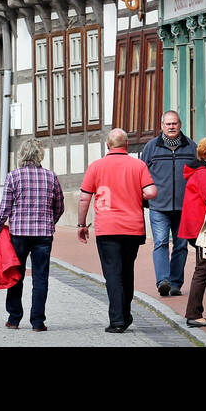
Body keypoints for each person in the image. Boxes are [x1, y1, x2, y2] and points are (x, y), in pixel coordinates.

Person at [77, 129, 156, 333]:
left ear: (107, 145)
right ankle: (126, 313)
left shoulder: (96, 166)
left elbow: (85, 197)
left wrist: (81, 224)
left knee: (112, 273)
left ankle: (117, 320)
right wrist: (136, 193)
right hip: (132, 227)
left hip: (107, 227)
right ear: (127, 145)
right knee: (126, 271)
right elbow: (151, 192)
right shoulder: (138, 165)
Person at [0, 136, 65, 332]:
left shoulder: (13, 177)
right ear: (40, 155)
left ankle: (14, 318)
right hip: (43, 234)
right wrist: (50, 221)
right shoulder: (51, 177)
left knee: (16, 274)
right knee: (41, 277)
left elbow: (4, 207)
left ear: (22, 155)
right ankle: (38, 322)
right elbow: (59, 206)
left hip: (19, 234)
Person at [141, 111, 196, 297]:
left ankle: (175, 283)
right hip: (159, 206)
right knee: (161, 243)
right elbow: (142, 174)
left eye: (174, 123)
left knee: (181, 246)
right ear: (161, 125)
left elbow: (197, 175)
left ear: (180, 125)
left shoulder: (191, 147)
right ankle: (163, 280)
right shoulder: (151, 147)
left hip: (184, 207)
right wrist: (145, 198)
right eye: (168, 124)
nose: (171, 127)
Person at [177, 136, 206, 327]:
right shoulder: (204, 173)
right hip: (202, 228)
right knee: (203, 270)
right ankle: (194, 314)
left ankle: (194, 313)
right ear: (204, 154)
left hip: (198, 226)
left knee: (203, 269)